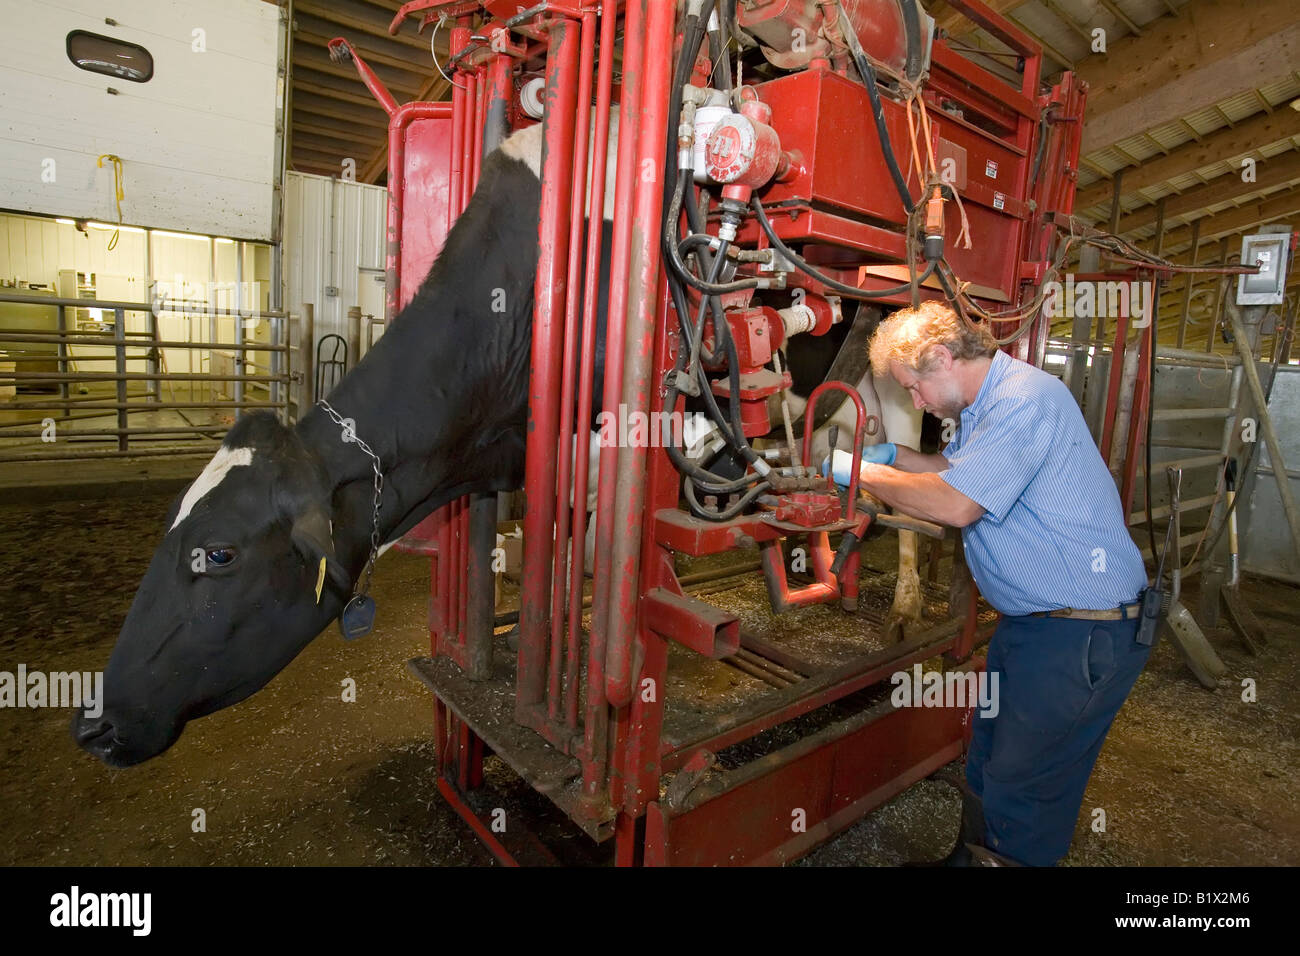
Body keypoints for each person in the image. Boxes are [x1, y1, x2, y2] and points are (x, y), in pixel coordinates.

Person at [825, 300, 1150, 867]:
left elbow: (956, 504)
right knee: (988, 763)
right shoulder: (985, 406)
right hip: (1037, 626)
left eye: (914, 388)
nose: (917, 402)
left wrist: (858, 472)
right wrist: (895, 455)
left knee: (1023, 790)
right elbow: (957, 473)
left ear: (944, 358)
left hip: (1081, 637)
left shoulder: (1025, 400)